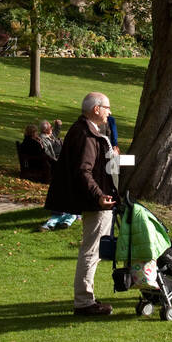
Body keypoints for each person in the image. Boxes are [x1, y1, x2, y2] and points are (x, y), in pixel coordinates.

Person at [44, 92, 119, 317]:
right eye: (107, 107)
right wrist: (98, 195)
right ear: (96, 109)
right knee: (91, 250)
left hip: (96, 199)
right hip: (96, 202)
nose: (109, 112)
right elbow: (83, 171)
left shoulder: (86, 130)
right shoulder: (85, 134)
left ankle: (86, 298)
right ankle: (84, 301)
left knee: (92, 249)